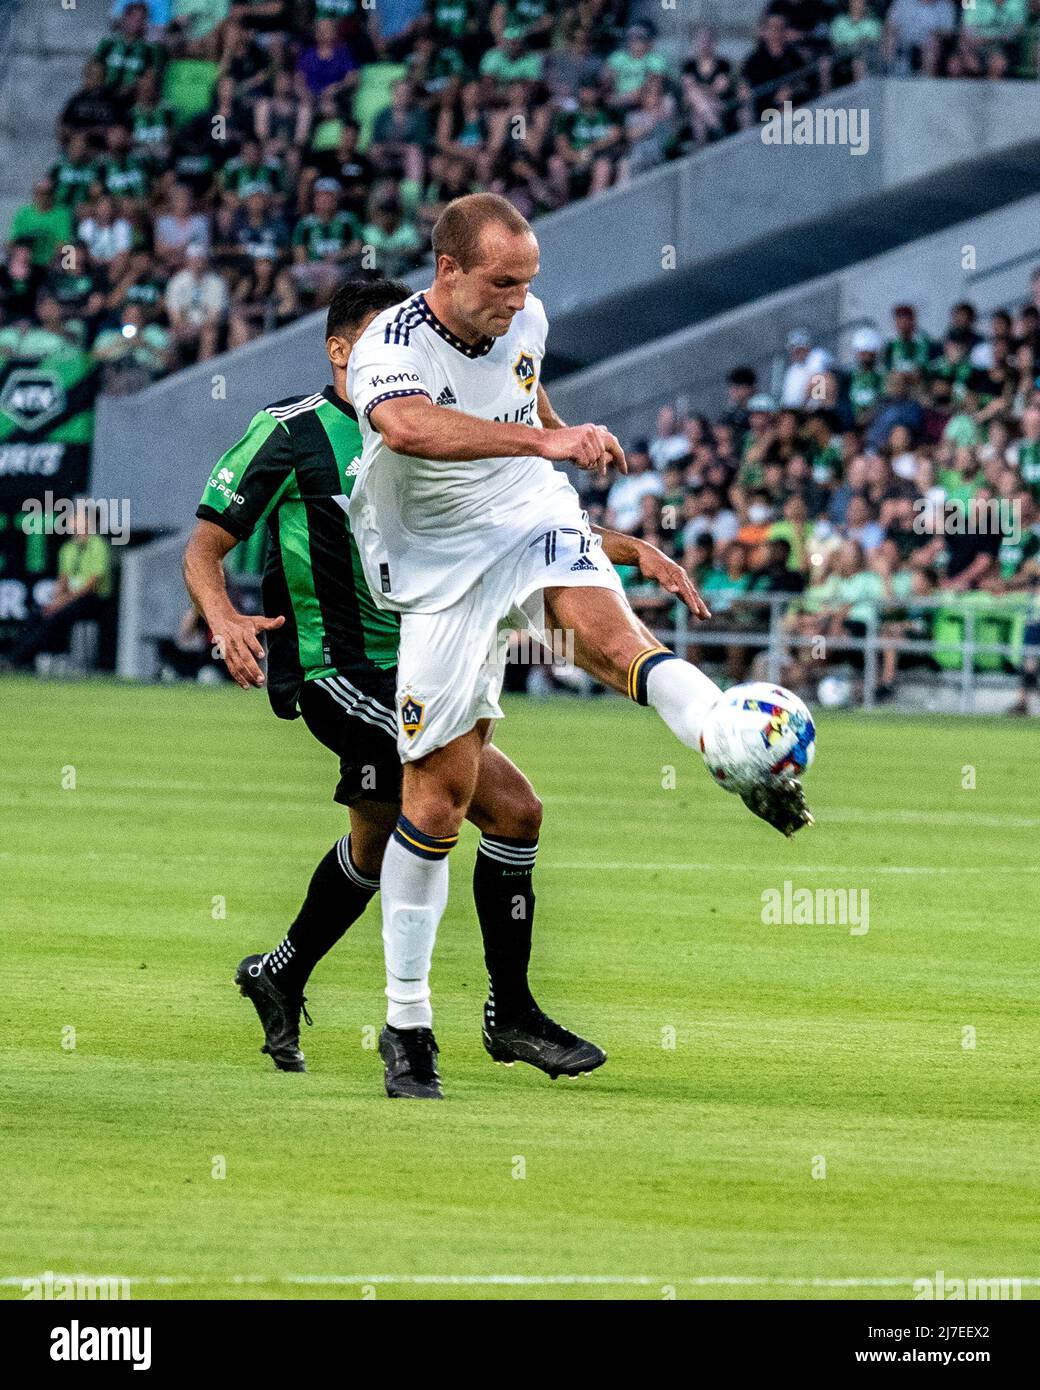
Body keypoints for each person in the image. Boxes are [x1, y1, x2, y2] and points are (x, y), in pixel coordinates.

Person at [345, 193, 814, 1099]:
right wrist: (546, 437)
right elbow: (408, 428)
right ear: (447, 272)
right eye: (501, 283)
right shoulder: (390, 347)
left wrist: (584, 508)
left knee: (601, 628)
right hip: (436, 563)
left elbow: (524, 395)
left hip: (528, 513)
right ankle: (407, 1024)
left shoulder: (527, 319)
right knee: (438, 803)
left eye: (529, 282)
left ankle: (724, 736)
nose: (520, 300)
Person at [183, 279, 690, 1085]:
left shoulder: (448, 422)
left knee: (418, 829)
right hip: (338, 670)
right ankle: (473, 1020)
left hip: (430, 652)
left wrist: (627, 550)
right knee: (452, 810)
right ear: (341, 349)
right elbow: (205, 544)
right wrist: (222, 619)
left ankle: (282, 973)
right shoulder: (292, 432)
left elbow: (508, 518)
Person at [6, 510, 112, 670]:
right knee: (38, 614)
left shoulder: (98, 545)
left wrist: (62, 602)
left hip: (93, 600)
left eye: (77, 519)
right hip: (71, 599)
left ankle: (15, 660)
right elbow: (63, 580)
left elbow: (92, 584)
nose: (72, 522)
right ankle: (25, 660)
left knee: (59, 615)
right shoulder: (68, 548)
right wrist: (55, 601)